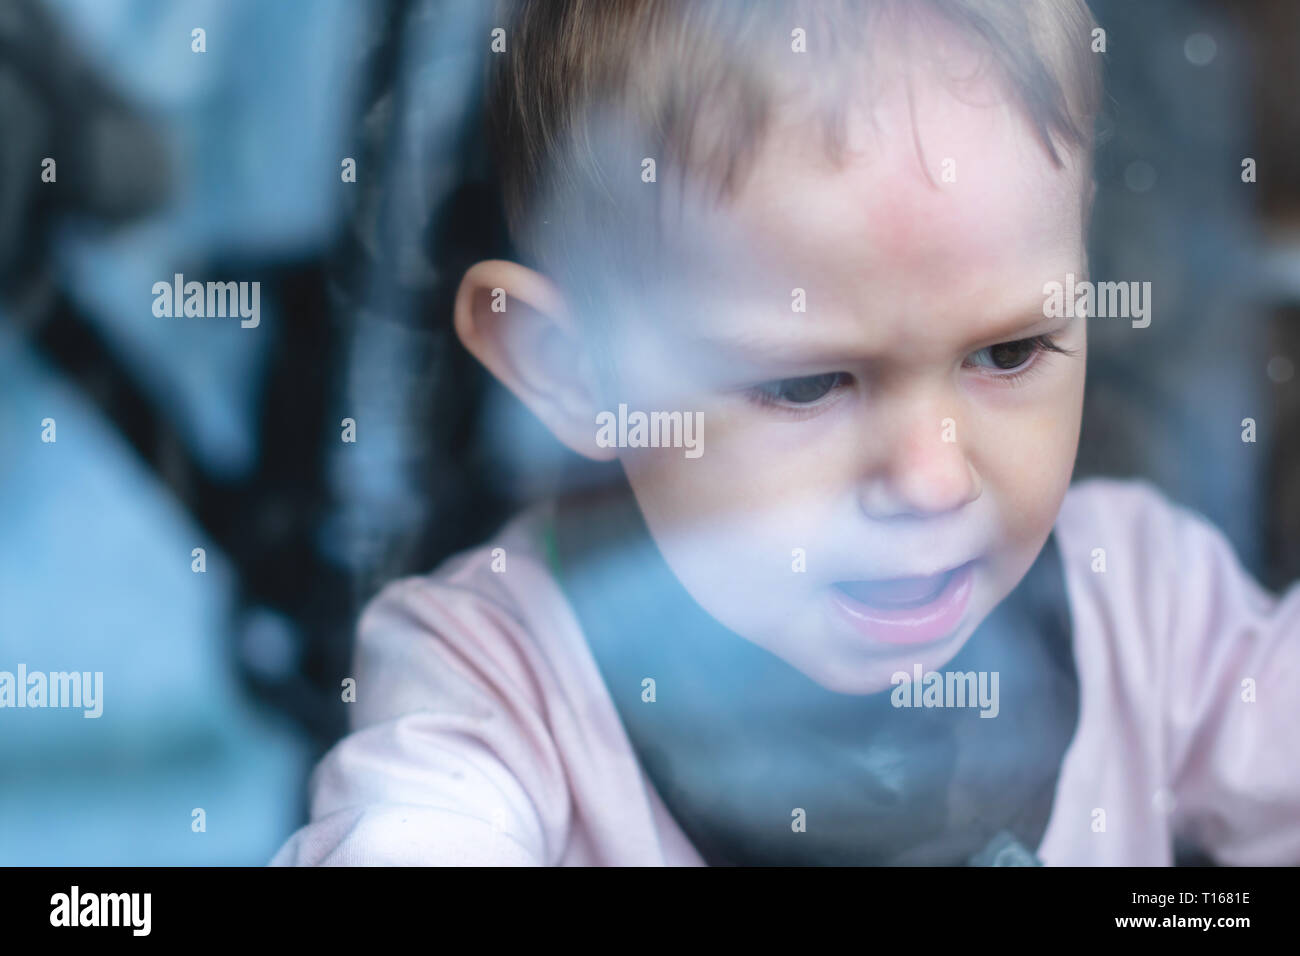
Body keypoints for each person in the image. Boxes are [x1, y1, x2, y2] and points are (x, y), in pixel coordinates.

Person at [271, 0, 1300, 866]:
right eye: (807, 383)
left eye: (1008, 353)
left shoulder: (1149, 610)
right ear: (573, 371)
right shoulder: (500, 683)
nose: (932, 479)